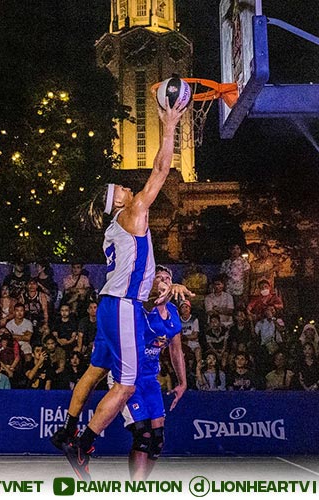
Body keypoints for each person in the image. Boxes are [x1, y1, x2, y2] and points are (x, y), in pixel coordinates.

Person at [53, 102, 189, 480]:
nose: (129, 188)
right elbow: (161, 170)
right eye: (121, 188)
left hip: (111, 306)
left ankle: (68, 427)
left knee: (96, 369)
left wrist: (165, 286)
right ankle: (80, 443)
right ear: (116, 201)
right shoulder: (131, 214)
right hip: (123, 307)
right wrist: (169, 124)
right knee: (125, 385)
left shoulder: (114, 229)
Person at [118, 266, 187, 480]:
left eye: (168, 278)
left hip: (150, 379)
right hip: (128, 376)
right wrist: (165, 288)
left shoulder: (173, 313)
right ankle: (135, 489)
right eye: (160, 278)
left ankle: (140, 485)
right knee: (143, 435)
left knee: (157, 440)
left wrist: (182, 382)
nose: (164, 282)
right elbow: (150, 300)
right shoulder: (143, 304)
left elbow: (176, 350)